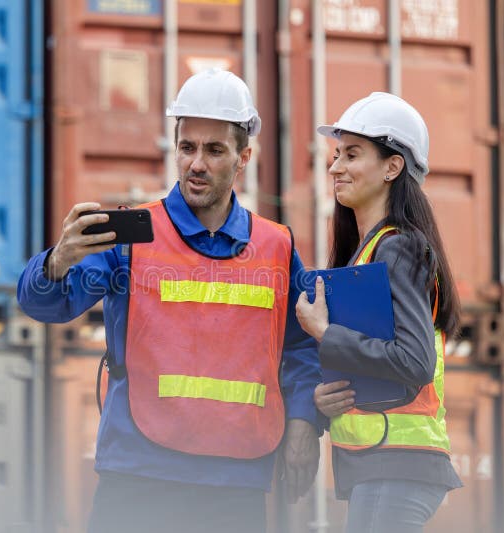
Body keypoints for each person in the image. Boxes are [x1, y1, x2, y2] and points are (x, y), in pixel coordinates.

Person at [18, 68, 323, 533]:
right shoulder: (131, 236)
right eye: (187, 147)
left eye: (214, 150)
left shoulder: (276, 247)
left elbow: (302, 346)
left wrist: (303, 421)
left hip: (236, 479)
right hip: (138, 473)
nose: (196, 163)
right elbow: (47, 306)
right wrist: (57, 261)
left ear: (244, 157)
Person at [295, 92, 463, 533]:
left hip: (400, 466)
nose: (335, 167)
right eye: (336, 155)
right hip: (381, 466)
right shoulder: (365, 254)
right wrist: (325, 397)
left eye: (352, 154)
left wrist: (325, 333)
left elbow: (414, 361)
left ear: (393, 167)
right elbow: (379, 361)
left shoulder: (398, 246)